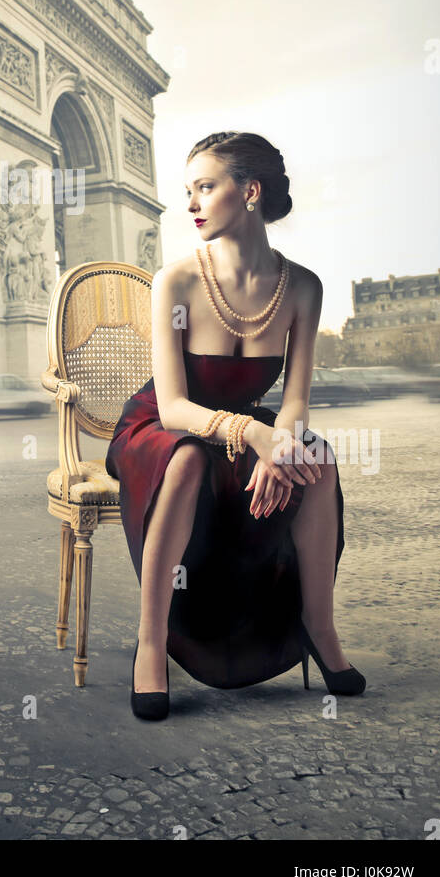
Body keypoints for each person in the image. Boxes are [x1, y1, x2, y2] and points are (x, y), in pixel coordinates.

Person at [104, 130, 366, 720]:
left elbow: (296, 400)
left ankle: (320, 628)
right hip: (163, 428)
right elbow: (173, 407)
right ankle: (152, 642)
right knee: (189, 456)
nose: (190, 204)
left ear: (249, 192)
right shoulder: (176, 280)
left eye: (205, 187)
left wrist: (283, 445)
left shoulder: (302, 286)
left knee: (316, 460)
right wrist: (257, 438)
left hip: (252, 428)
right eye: (188, 190)